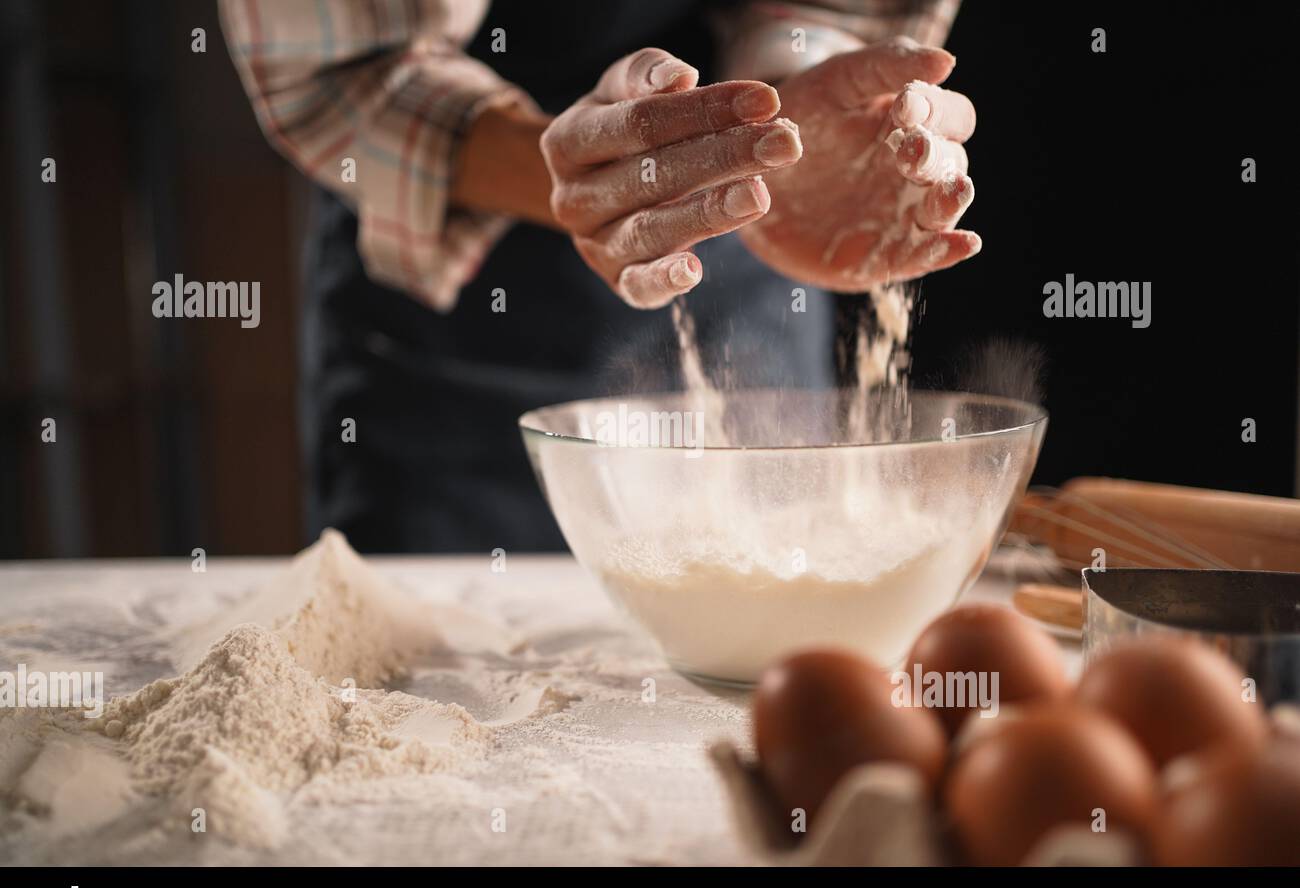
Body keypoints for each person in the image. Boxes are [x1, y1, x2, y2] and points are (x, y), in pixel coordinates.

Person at [218, 0, 978, 553]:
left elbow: (817, 10)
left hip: (749, 261)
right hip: (446, 338)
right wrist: (573, 173)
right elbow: (340, 67)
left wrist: (796, 100)